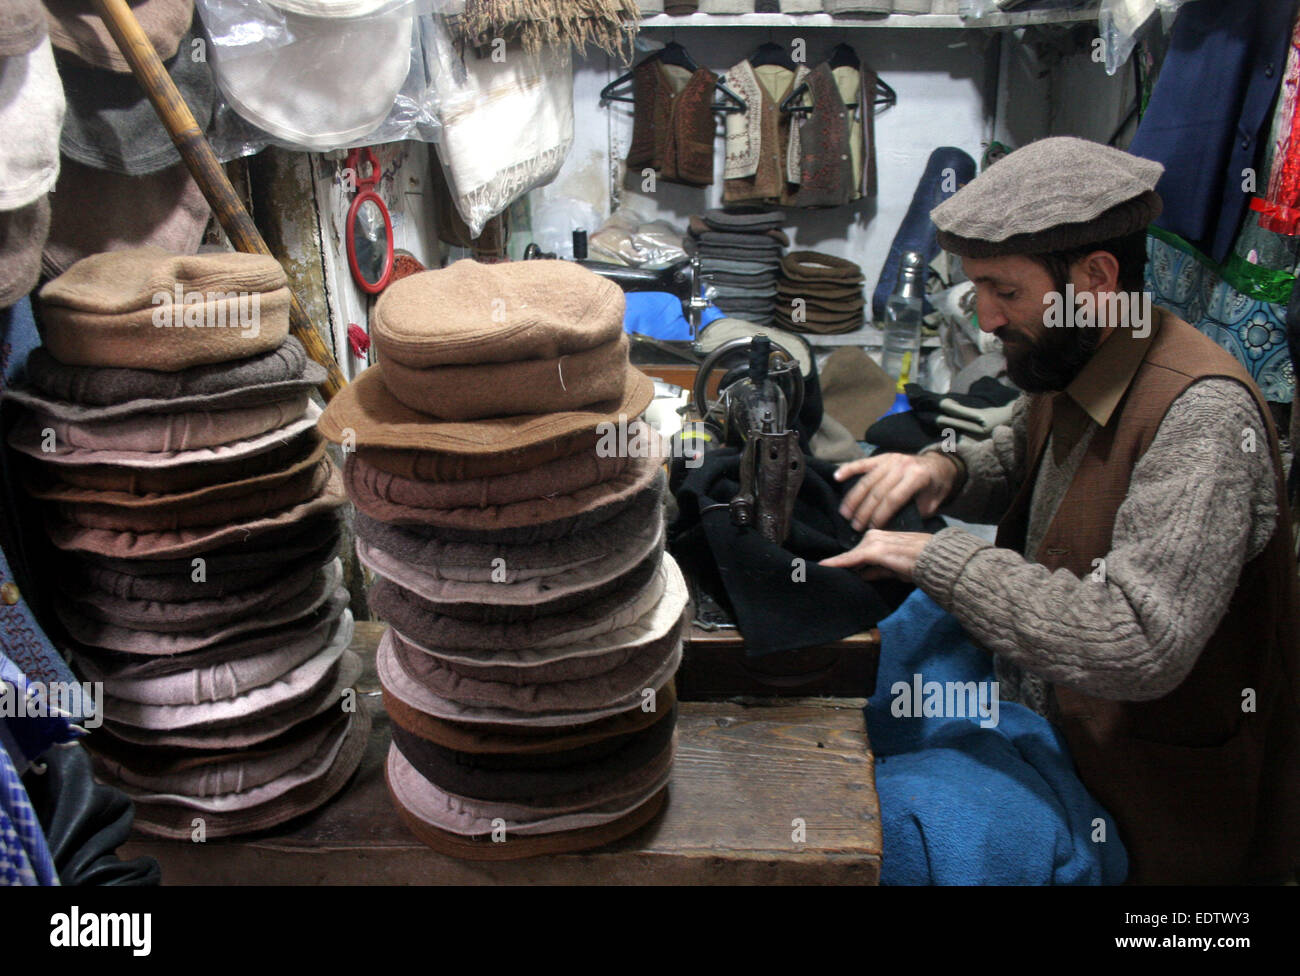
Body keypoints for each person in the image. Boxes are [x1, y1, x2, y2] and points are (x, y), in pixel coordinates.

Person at [821, 136, 1300, 884]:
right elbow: (1024, 454)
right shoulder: (1080, 354)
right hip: (1059, 747)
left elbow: (1136, 639)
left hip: (1155, 806)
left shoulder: (1201, 415)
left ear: (1097, 276)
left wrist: (934, 557)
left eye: (1004, 292)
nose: (984, 318)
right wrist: (939, 469)